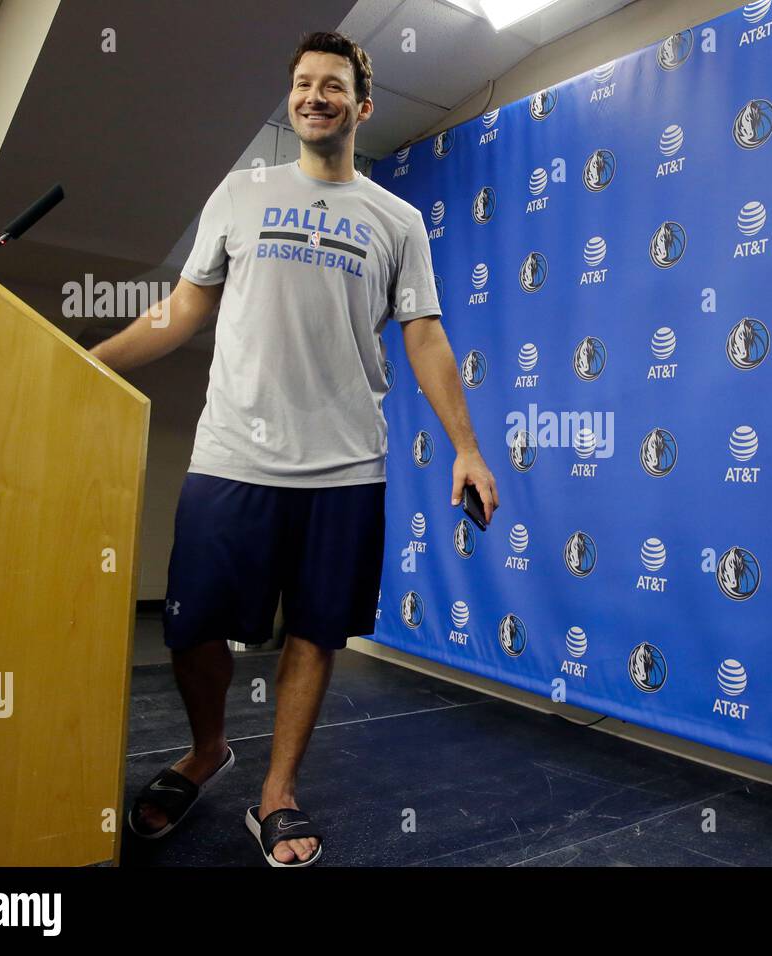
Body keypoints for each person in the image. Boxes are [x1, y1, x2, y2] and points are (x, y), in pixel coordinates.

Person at [90, 30, 498, 866]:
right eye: (304, 83)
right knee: (190, 627)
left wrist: (468, 448)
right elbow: (180, 311)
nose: (315, 95)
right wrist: (84, 363)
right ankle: (207, 753)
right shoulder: (240, 194)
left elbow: (424, 336)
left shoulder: (397, 220)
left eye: (334, 85)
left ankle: (276, 795)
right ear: (292, 99)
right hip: (231, 457)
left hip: (345, 467)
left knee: (317, 632)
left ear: (363, 105)